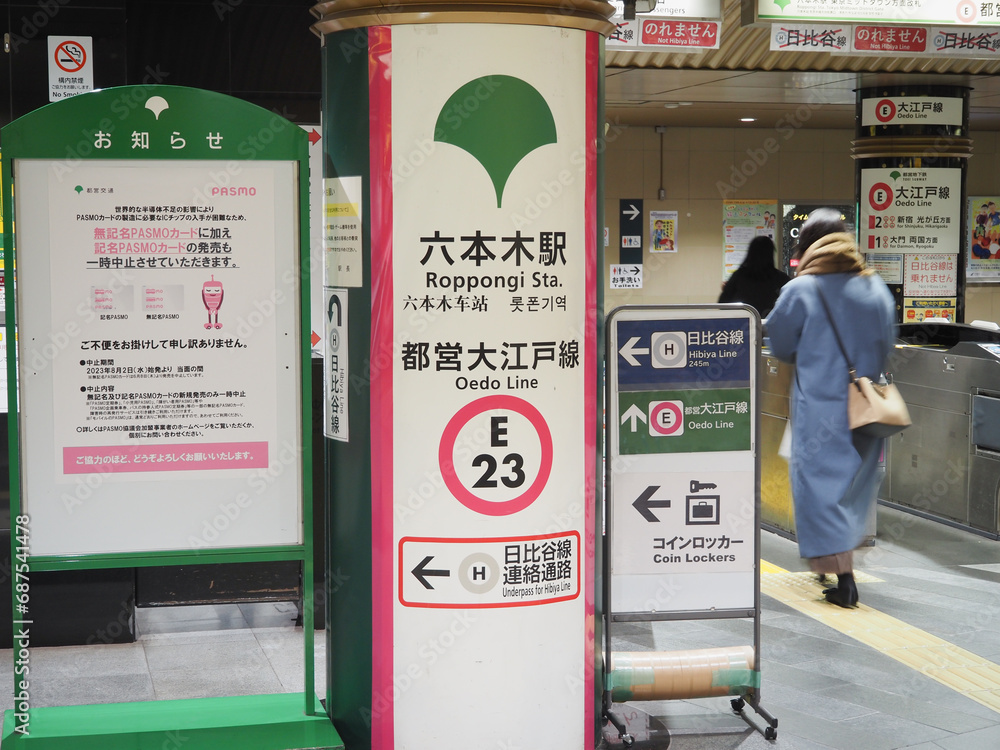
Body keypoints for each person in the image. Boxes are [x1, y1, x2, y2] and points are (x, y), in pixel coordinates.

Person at [765, 208, 896, 609]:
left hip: (822, 412)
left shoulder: (801, 291)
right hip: (867, 407)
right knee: (852, 490)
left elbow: (782, 344)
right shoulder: (874, 288)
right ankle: (834, 565)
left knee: (820, 491)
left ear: (807, 247)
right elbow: (888, 342)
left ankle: (844, 580)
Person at [718, 235, 790, 317]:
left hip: (742, 326)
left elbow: (722, 304)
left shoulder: (738, 277)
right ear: (771, 253)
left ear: (750, 252)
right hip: (772, 327)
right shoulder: (781, 279)